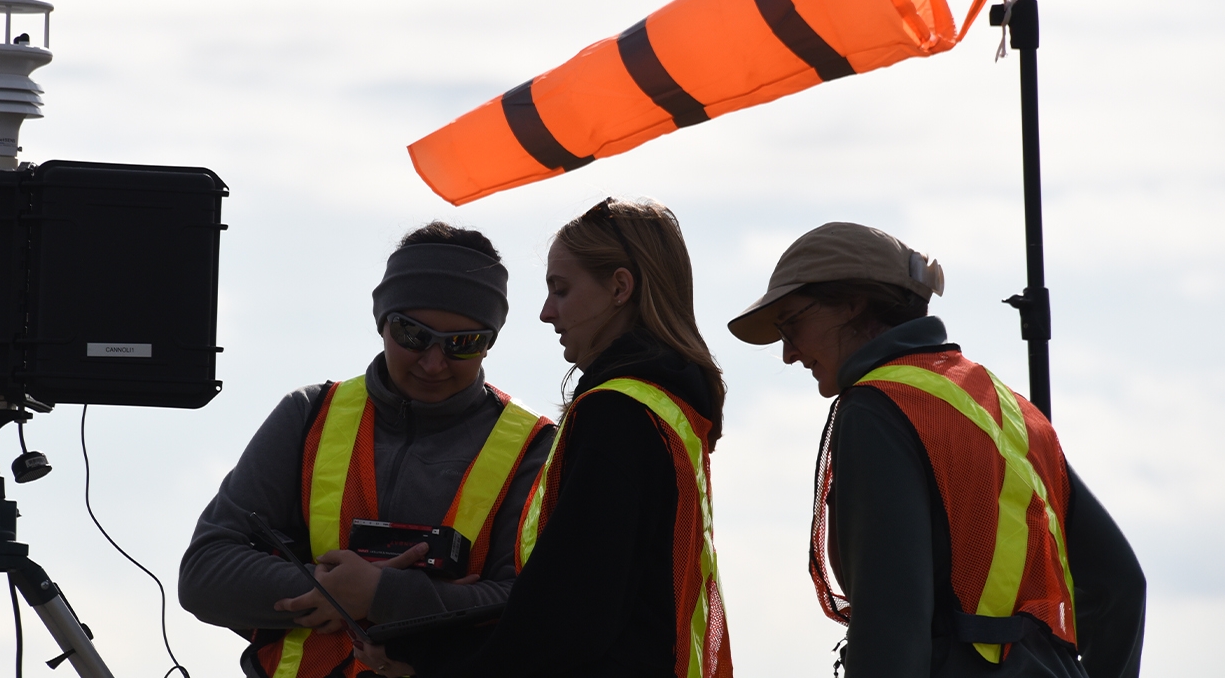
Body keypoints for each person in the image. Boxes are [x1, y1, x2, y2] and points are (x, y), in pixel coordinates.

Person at [727, 222, 1146, 678]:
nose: (788, 353)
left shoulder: (877, 408)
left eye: (792, 324)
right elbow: (1120, 588)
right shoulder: (1010, 408)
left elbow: (892, 622)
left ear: (851, 302)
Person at [178, 221, 556, 678]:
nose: (433, 362)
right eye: (413, 334)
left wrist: (381, 594)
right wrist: (334, 589)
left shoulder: (534, 447)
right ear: (382, 323)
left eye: (463, 344)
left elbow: (537, 609)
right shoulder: (308, 415)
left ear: (489, 343)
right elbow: (203, 573)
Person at [376, 198, 733, 678]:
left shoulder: (616, 413)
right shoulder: (669, 408)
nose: (546, 313)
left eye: (560, 290)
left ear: (620, 287)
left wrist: (428, 659)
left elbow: (569, 617)